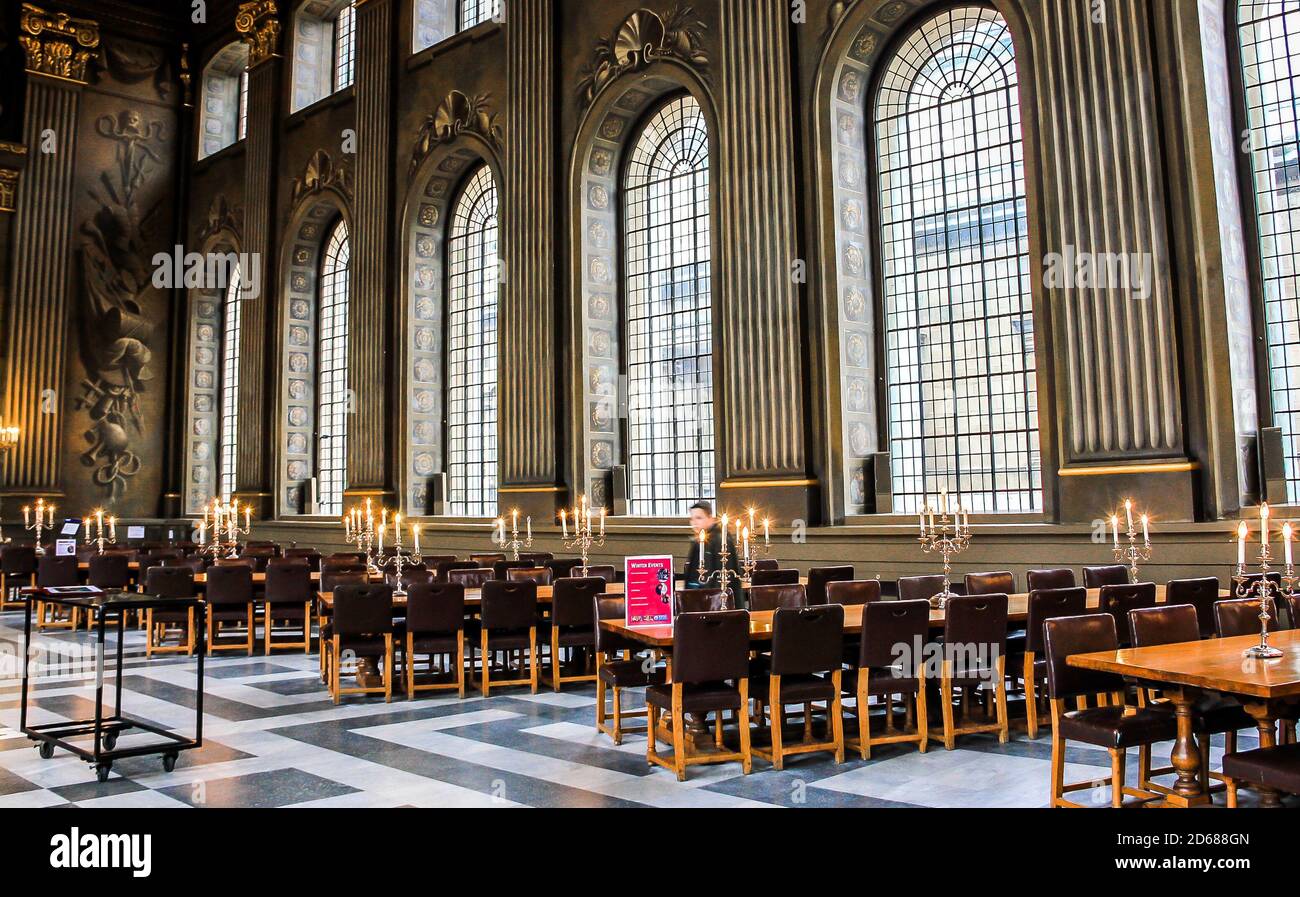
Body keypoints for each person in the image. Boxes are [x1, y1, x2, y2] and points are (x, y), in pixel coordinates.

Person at [682, 501, 740, 593]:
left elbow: (724, 577)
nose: (694, 522)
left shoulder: (721, 540)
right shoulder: (699, 540)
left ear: (711, 519)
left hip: (714, 599)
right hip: (698, 596)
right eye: (692, 519)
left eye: (699, 518)